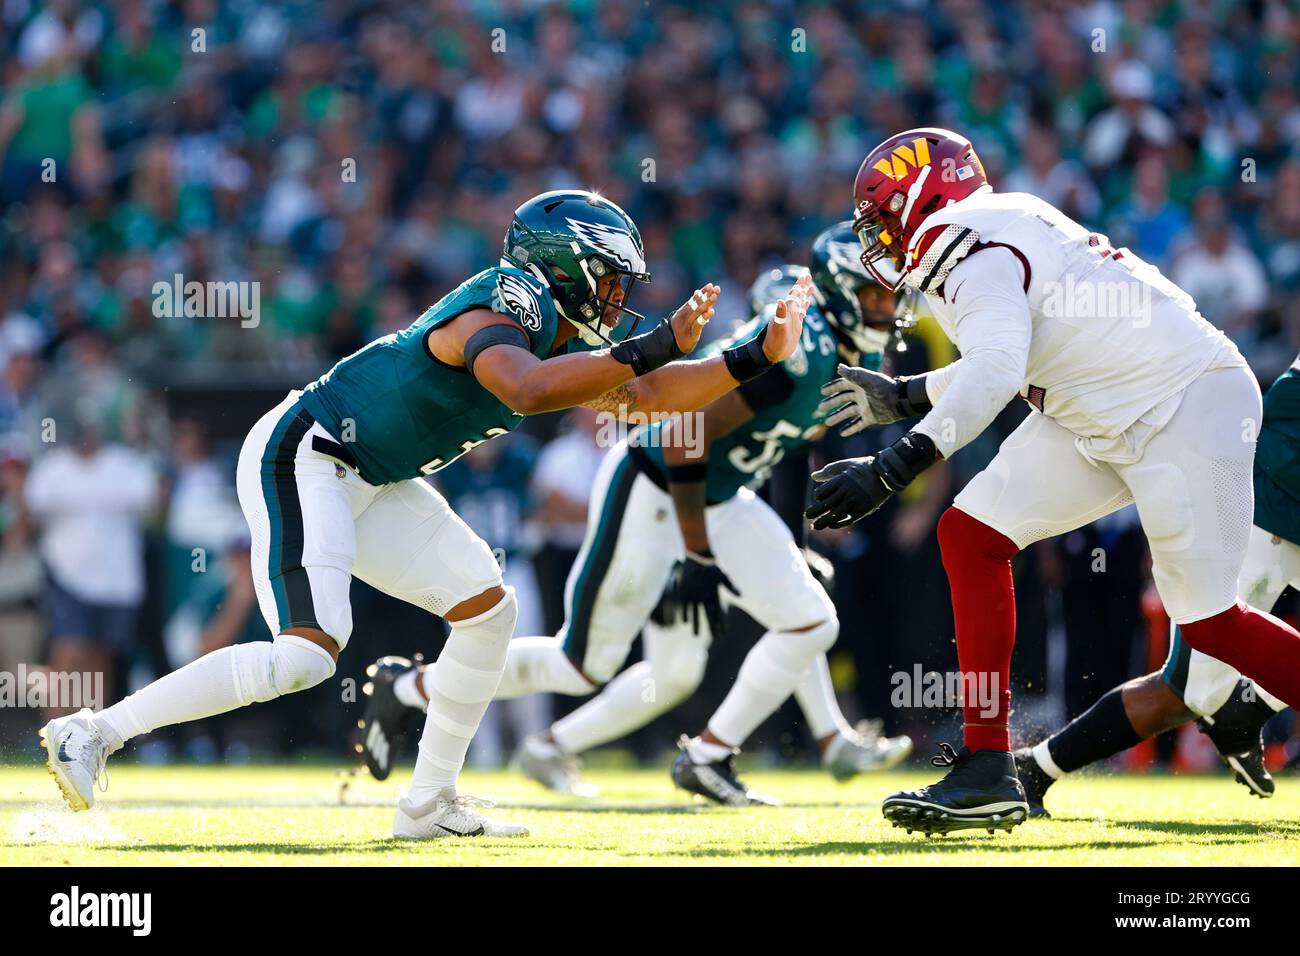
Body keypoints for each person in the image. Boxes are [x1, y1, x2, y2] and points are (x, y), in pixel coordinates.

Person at [40, 189, 808, 841]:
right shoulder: (509, 297)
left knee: (488, 610)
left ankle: (428, 802)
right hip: (308, 453)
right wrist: (651, 345)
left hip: (372, 475)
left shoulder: (562, 329)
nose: (617, 297)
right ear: (565, 264)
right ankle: (94, 732)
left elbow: (645, 399)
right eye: (609, 278)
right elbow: (526, 389)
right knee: (308, 654)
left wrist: (753, 357)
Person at [808, 127, 1300, 835]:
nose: (880, 237)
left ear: (926, 196)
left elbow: (1000, 369)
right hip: (1100, 409)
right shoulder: (995, 225)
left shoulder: (963, 241)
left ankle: (994, 766)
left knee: (1210, 623)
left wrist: (894, 465)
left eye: (885, 215)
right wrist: (909, 392)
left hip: (1182, 404)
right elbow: (1013, 352)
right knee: (971, 535)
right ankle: (987, 767)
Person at [359, 223, 911, 806]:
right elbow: (683, 440)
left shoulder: (855, 352)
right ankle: (412, 688)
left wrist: (793, 540)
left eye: (891, 294)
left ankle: (714, 754)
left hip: (719, 498)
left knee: (764, 637)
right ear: (839, 291)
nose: (888, 306)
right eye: (875, 293)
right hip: (657, 490)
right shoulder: (800, 352)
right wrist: (696, 554)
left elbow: (793, 446)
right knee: (582, 663)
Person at [1015, 355, 1300, 814]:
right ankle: (1035, 767)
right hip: (1259, 521)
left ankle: (1249, 706)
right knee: (1185, 693)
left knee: (1191, 692)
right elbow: (1279, 429)